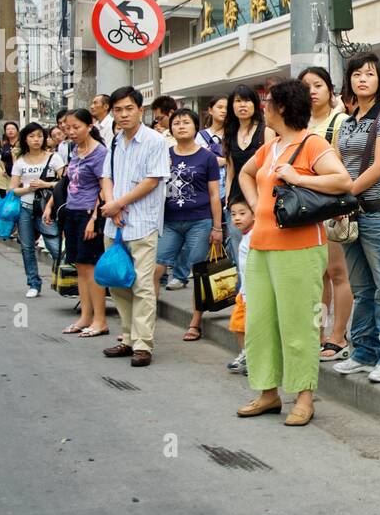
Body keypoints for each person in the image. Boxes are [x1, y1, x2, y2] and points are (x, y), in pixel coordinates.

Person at [236, 79, 353, 425]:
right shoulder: (269, 147)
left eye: (268, 102)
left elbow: (342, 181)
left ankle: (304, 397)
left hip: (300, 247)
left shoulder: (312, 143)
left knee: (299, 322)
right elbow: (245, 173)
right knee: (261, 322)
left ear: (283, 107)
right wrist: (258, 207)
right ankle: (267, 393)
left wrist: (299, 179)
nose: (263, 107)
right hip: (261, 245)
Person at [332, 53, 380, 383]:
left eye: (370, 74)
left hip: (376, 213)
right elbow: (334, 162)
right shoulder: (345, 122)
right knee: (362, 289)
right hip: (349, 215)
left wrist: (346, 192)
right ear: (349, 81)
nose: (362, 79)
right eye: (357, 74)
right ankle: (363, 351)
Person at [100, 86, 171, 367]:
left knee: (142, 285)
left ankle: (143, 344)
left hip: (143, 223)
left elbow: (152, 180)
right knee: (118, 283)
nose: (123, 114)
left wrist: (118, 204)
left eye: (129, 108)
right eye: (118, 110)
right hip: (114, 226)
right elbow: (106, 176)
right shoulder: (116, 141)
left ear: (141, 110)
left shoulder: (155, 141)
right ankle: (127, 338)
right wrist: (110, 203)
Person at [300, 66, 353, 361]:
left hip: (332, 208)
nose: (312, 91)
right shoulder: (298, 124)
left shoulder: (341, 121)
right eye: (306, 86)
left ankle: (338, 335)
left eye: (318, 84)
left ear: (329, 89)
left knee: (337, 273)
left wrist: (344, 206)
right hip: (305, 210)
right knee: (315, 276)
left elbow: (347, 167)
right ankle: (317, 332)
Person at [157, 108, 223, 342]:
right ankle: (148, 315)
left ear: (196, 128)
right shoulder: (164, 155)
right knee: (156, 267)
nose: (181, 126)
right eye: (176, 123)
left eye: (186, 122)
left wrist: (217, 227)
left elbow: (215, 194)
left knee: (198, 272)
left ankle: (195, 321)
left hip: (200, 221)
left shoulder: (206, 157)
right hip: (170, 222)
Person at [52, 109, 108, 337]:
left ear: (90, 125)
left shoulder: (100, 153)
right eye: (68, 128)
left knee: (92, 268)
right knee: (80, 267)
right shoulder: (74, 150)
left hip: (88, 215)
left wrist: (94, 219)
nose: (72, 132)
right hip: (72, 213)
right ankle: (85, 316)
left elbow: (105, 188)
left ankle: (100, 320)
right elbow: (67, 183)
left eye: (77, 127)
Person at [8, 122, 64, 296]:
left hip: (46, 208)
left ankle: (68, 279)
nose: (36, 139)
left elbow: (65, 183)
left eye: (39, 135)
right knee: (27, 247)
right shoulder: (20, 161)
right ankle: (34, 283)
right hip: (25, 208)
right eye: (32, 136)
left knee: (55, 245)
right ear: (25, 139)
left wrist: (44, 184)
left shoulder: (54, 158)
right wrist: (28, 189)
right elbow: (12, 189)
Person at [223, 84, 274, 261]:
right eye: (238, 101)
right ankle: (243, 289)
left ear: (255, 104)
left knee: (260, 252)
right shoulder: (229, 134)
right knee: (240, 255)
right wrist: (228, 201)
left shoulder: (266, 131)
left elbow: (269, 168)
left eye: (247, 100)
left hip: (260, 200)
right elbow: (230, 172)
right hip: (236, 203)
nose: (242, 105)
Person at [225, 199, 256, 376]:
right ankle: (247, 355)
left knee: (246, 326)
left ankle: (251, 358)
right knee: (238, 326)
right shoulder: (245, 235)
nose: (237, 218)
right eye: (233, 214)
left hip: (251, 293)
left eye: (242, 213)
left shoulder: (254, 235)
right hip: (244, 292)